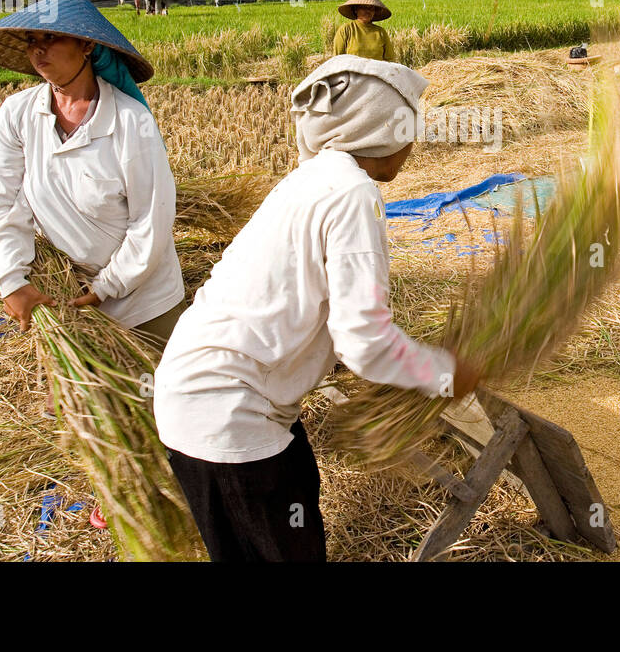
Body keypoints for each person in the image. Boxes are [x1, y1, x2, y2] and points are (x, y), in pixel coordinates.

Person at [154, 55, 480, 562]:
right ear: (381, 129)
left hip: (200, 397)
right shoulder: (352, 193)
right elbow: (365, 344)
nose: (414, 145)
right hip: (226, 415)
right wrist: (445, 373)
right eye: (409, 127)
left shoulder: (313, 178)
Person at [0, 0, 186, 348]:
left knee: (159, 397)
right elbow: (6, 204)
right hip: (65, 297)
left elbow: (151, 220)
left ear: (86, 45)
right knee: (72, 401)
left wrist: (106, 288)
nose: (39, 50)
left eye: (51, 38)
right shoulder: (17, 114)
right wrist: (12, 280)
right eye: (32, 40)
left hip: (143, 301)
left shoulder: (131, 120)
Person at [330, 0, 396, 61]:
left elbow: (390, 60)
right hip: (351, 71)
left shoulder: (381, 32)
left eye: (371, 8)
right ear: (356, 9)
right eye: (363, 7)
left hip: (376, 71)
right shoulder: (346, 30)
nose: (368, 11)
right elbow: (337, 59)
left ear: (374, 11)